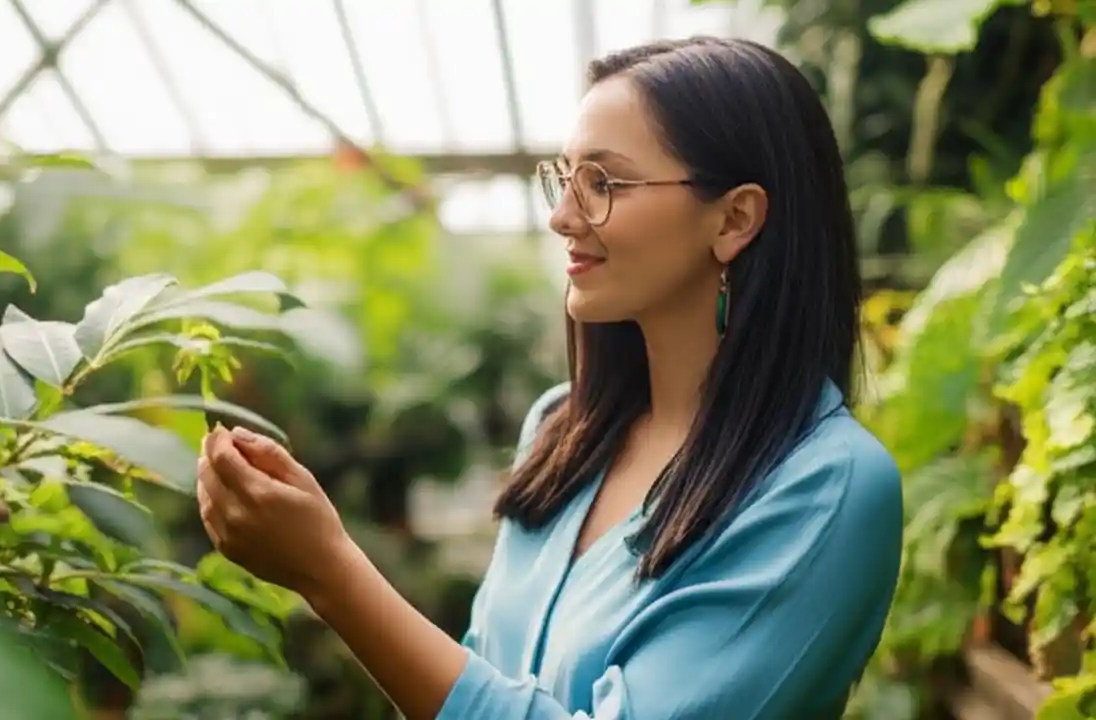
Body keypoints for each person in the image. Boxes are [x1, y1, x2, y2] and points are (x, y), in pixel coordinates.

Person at [197, 36, 903, 720]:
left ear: (735, 218)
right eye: (564, 179)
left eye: (603, 183)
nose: (563, 216)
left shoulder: (826, 487)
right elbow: (476, 674)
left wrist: (331, 572)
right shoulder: (561, 432)